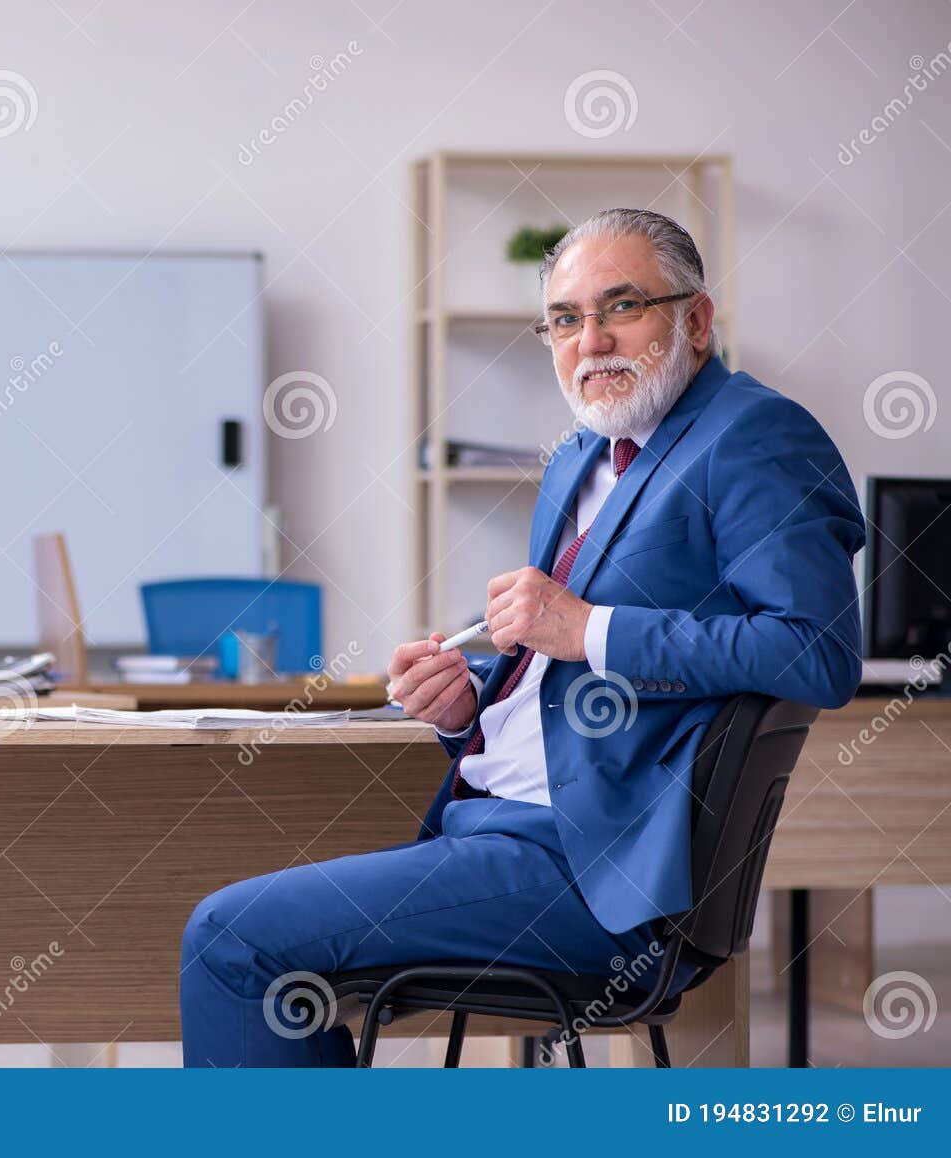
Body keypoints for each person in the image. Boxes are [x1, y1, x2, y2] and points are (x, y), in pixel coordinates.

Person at [180, 208, 866, 1067]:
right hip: (498, 832)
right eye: (567, 319)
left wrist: (589, 628)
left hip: (594, 873)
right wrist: (470, 695)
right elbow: (560, 666)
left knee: (232, 939)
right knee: (260, 947)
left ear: (695, 320)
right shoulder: (584, 455)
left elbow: (817, 650)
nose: (592, 341)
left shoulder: (754, 436)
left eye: (623, 308)